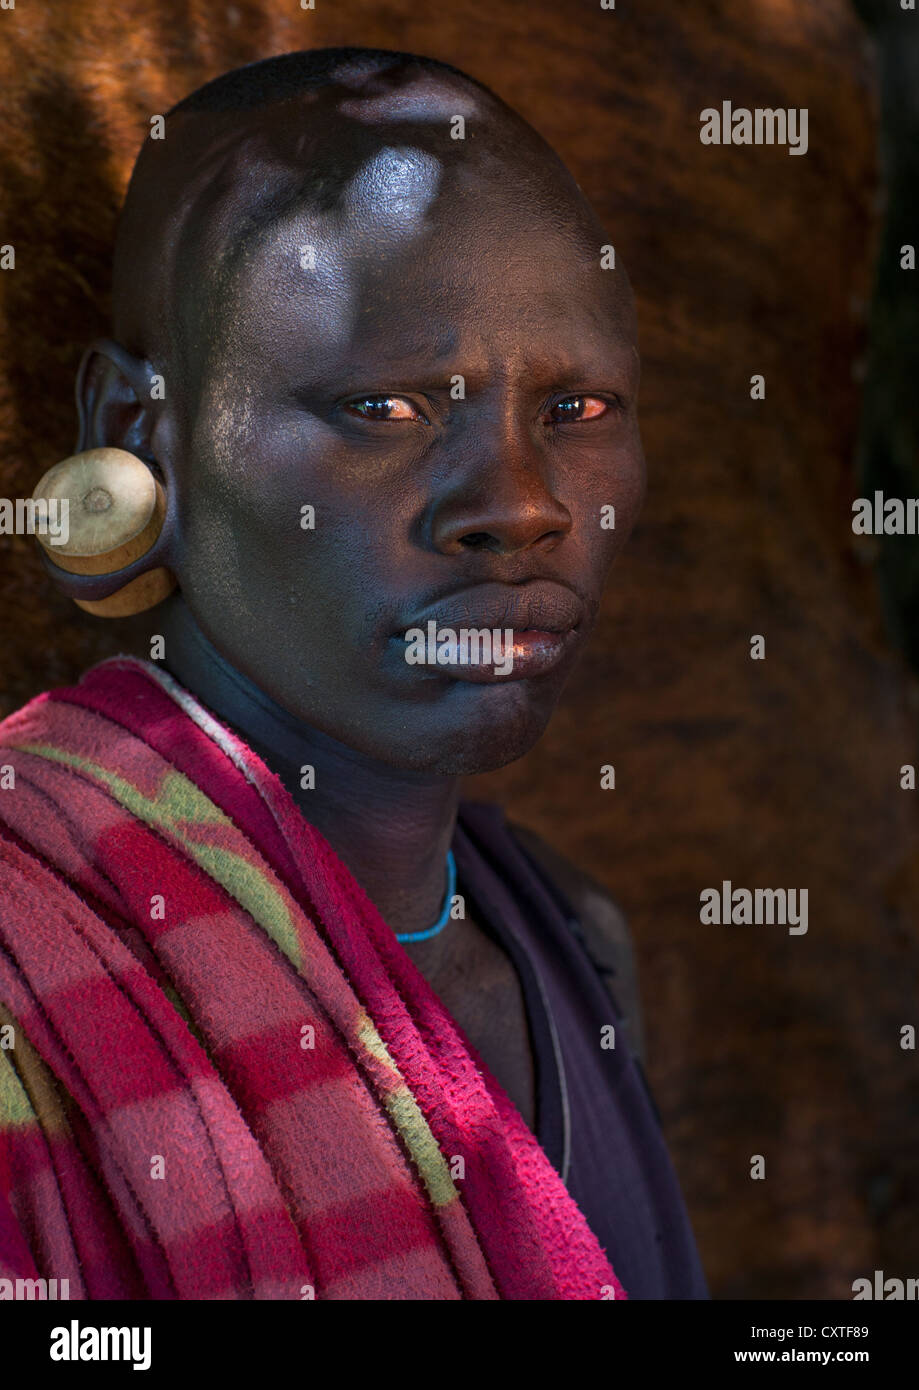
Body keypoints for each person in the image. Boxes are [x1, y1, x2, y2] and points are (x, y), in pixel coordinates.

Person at [0, 47, 708, 1300]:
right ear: (134, 434)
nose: (522, 507)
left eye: (580, 410)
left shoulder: (573, 952)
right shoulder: (24, 958)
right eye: (384, 408)